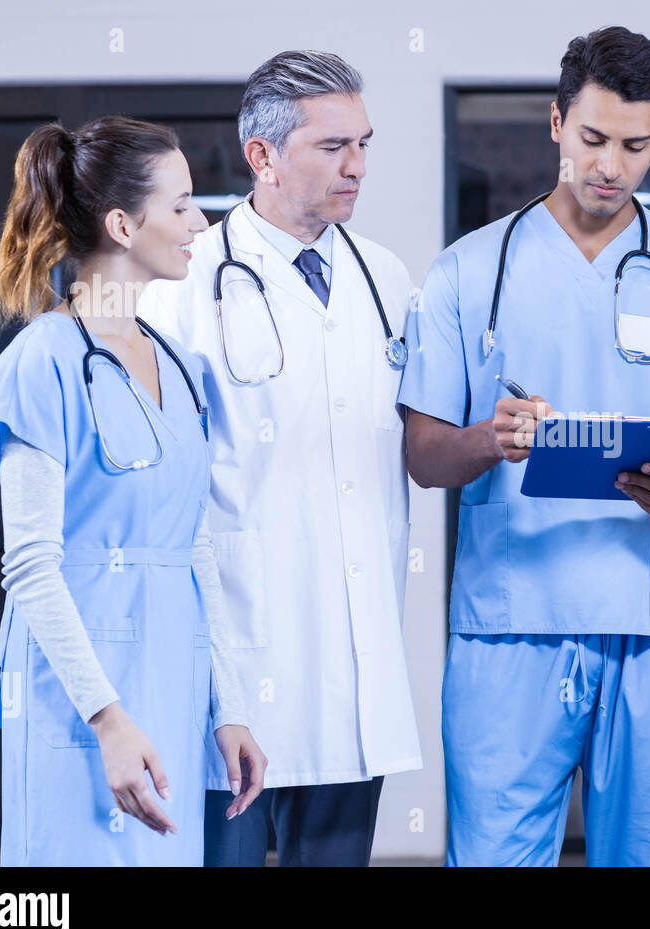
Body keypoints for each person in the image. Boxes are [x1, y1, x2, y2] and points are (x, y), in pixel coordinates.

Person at [398, 26, 650, 867]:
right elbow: (421, 454)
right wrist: (490, 439)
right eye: (592, 139)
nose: (610, 165)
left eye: (635, 146)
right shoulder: (467, 271)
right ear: (556, 123)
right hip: (510, 623)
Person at [139, 50, 422, 867]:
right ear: (261, 156)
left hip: (355, 673)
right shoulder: (182, 289)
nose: (358, 166)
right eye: (333, 146)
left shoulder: (386, 279)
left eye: (364, 143)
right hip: (236, 665)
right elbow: (167, 498)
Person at [0, 116, 266, 865]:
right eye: (179, 206)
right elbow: (33, 570)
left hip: (170, 682)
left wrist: (227, 708)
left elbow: (193, 546)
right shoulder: (44, 362)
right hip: (80, 699)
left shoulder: (181, 367)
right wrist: (107, 720)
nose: (199, 224)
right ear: (120, 223)